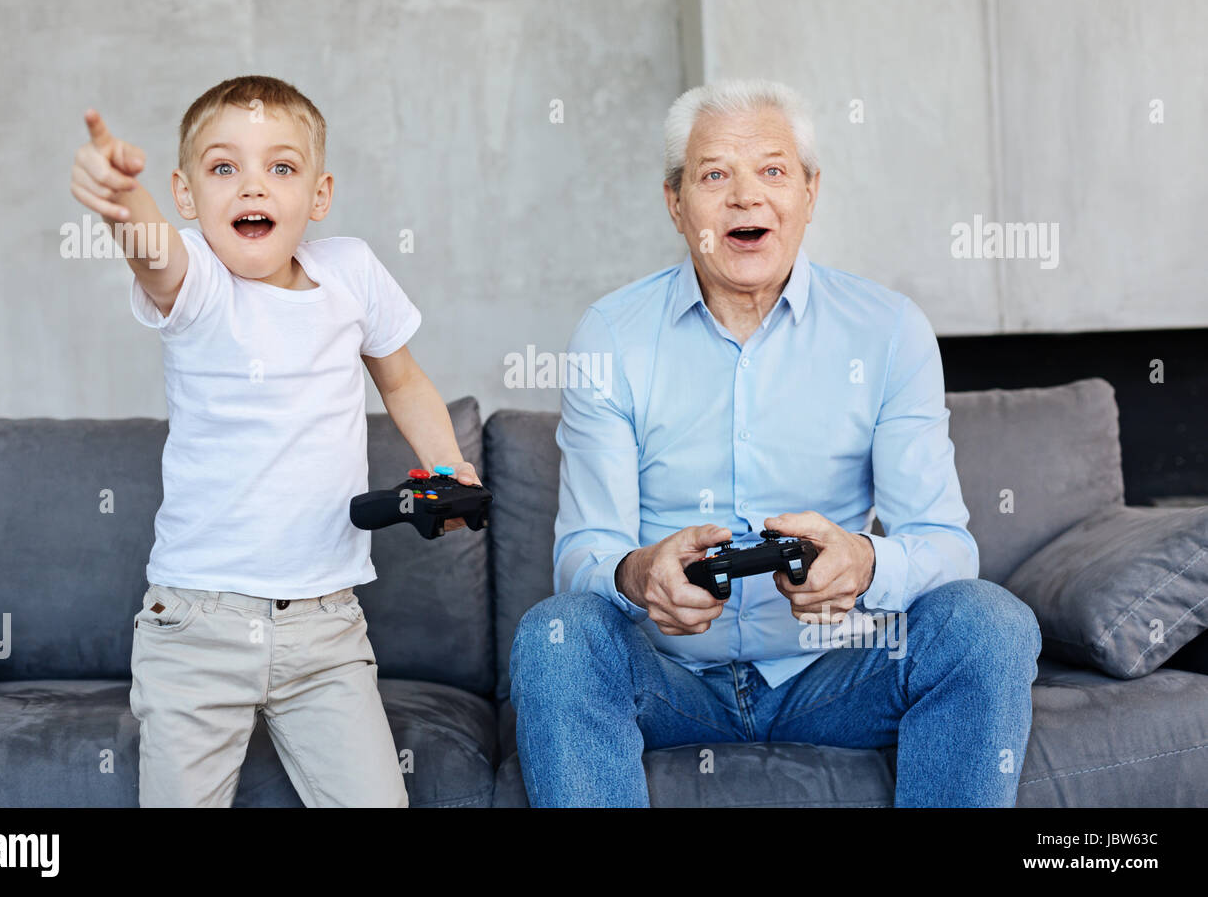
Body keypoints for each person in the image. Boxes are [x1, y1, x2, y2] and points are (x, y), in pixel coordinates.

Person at [510, 79, 1042, 807]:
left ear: (810, 192)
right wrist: (638, 574)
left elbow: (946, 544)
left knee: (989, 622)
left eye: (772, 169)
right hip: (668, 680)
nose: (745, 198)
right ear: (675, 203)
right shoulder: (611, 335)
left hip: (839, 671)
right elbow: (582, 554)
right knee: (557, 635)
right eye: (714, 174)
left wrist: (863, 562)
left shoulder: (887, 331)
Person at [70, 74, 479, 807]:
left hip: (326, 628)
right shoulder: (198, 285)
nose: (252, 188)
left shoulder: (350, 271)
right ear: (187, 197)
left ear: (318, 196)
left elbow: (405, 381)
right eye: (224, 168)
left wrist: (448, 468)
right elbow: (152, 252)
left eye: (280, 168)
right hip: (197, 624)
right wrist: (121, 198)